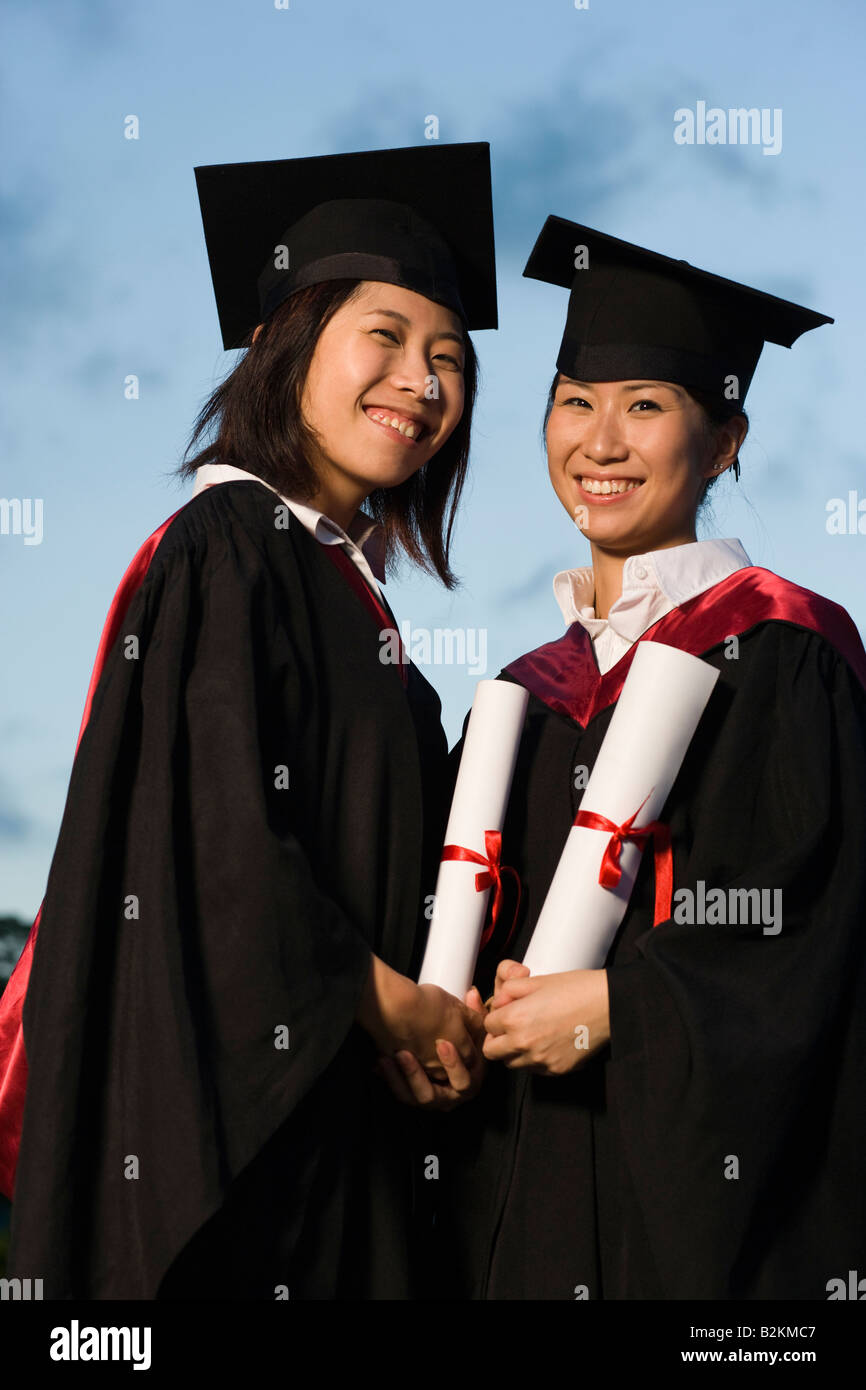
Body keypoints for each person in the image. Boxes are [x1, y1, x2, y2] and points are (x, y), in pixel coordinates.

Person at [0, 142, 498, 1299]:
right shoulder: (230, 552)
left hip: (349, 1138)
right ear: (285, 339)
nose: (420, 382)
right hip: (260, 1162)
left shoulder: (338, 589)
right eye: (384, 335)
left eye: (449, 359)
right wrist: (392, 1005)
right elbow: (221, 854)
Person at [426, 216, 866, 1300]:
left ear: (722, 441)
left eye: (645, 406)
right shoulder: (521, 696)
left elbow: (819, 920)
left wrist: (621, 1006)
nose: (599, 442)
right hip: (516, 1200)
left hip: (710, 1229)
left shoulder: (783, 650)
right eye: (573, 401)